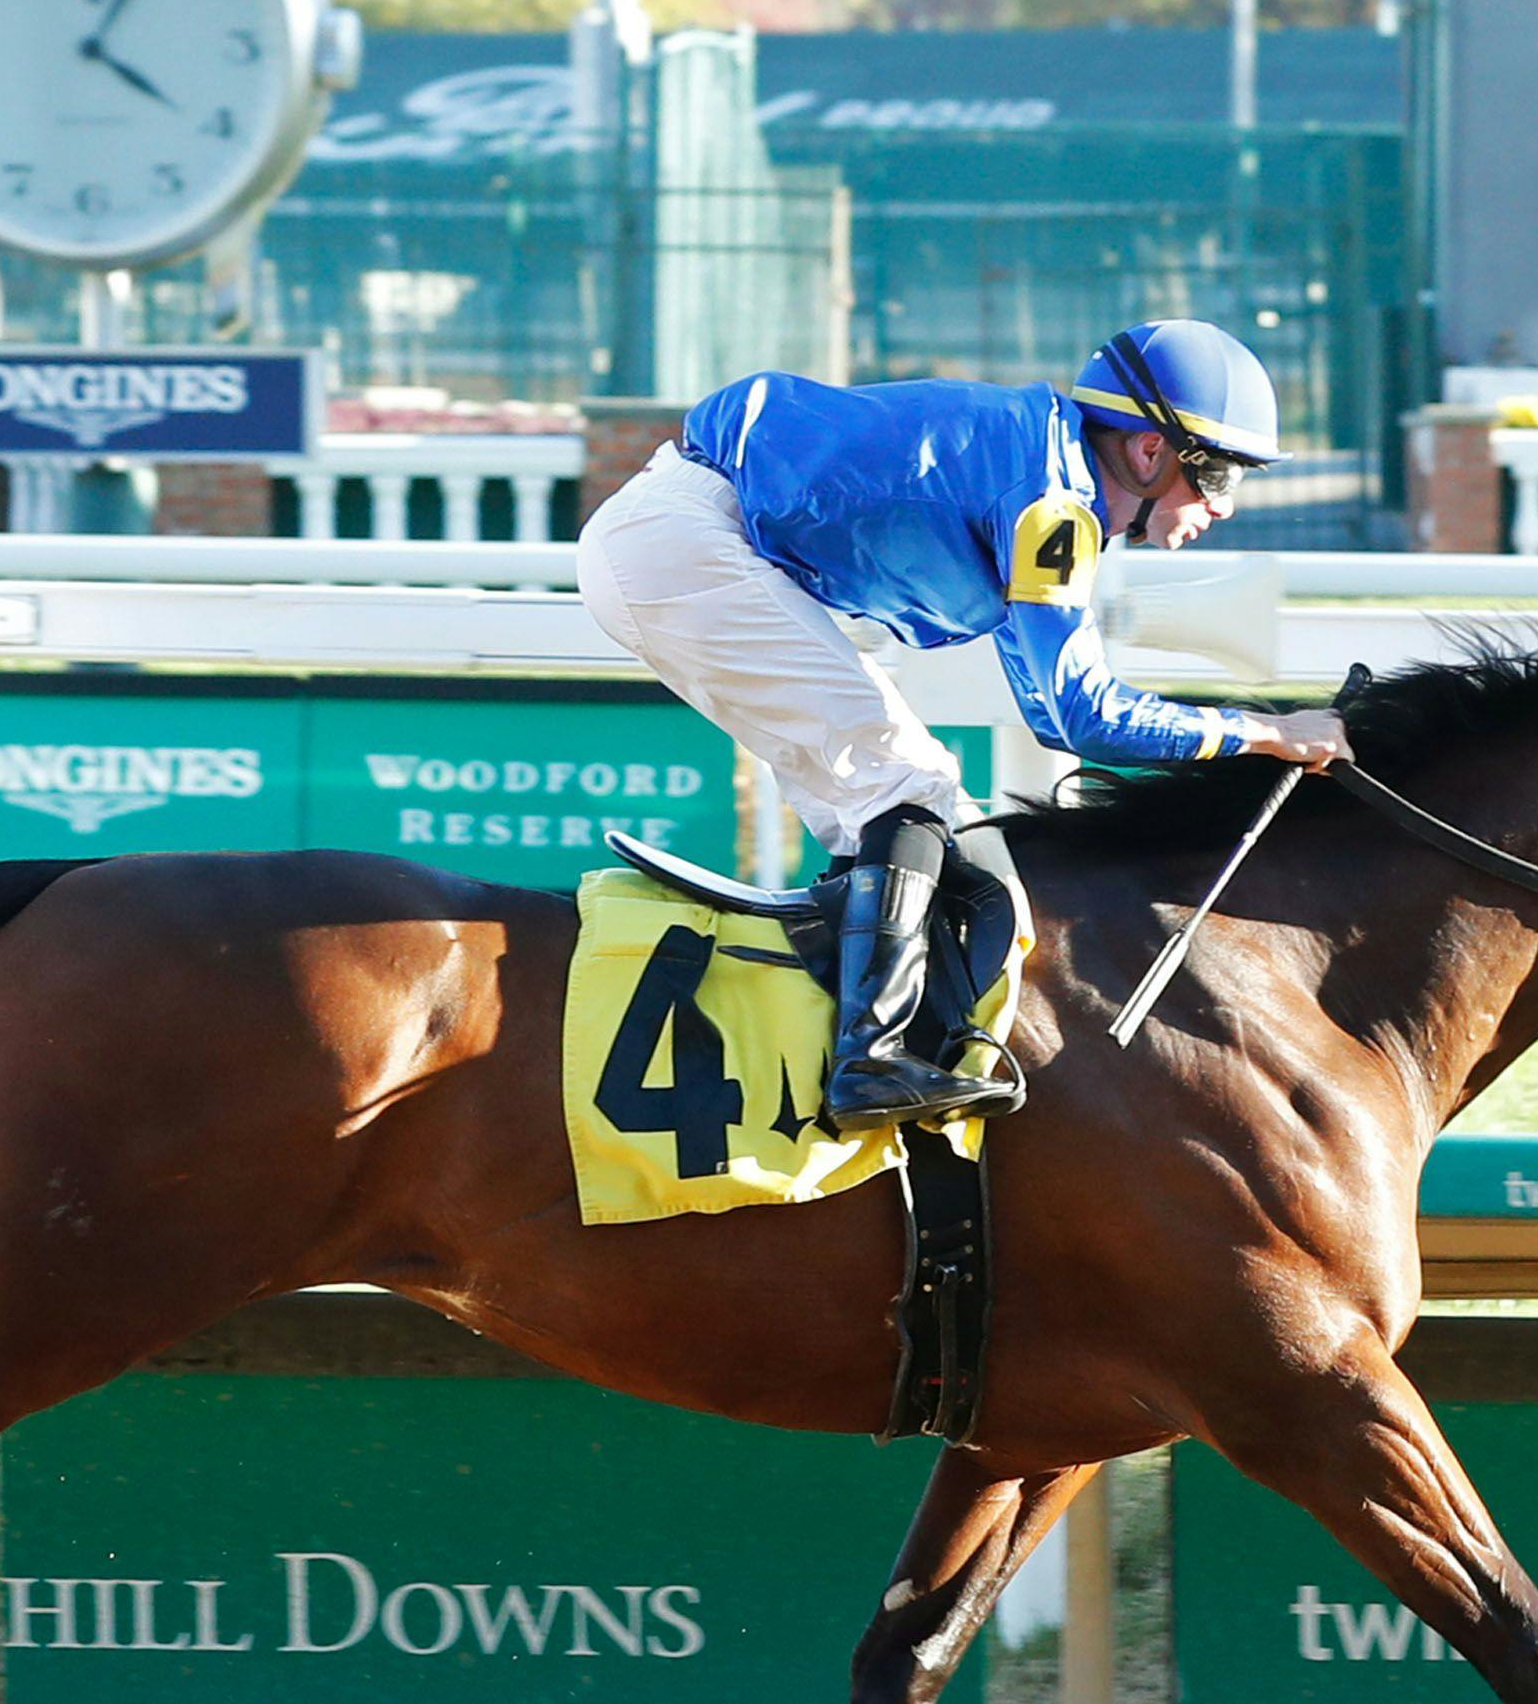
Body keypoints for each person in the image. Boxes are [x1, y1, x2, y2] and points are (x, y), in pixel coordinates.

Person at [577, 320, 1351, 1134]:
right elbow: (1083, 717)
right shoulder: (1052, 505)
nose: (1223, 505)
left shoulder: (1046, 471)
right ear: (1150, 450)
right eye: (1218, 473)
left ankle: (844, 1033)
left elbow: (1052, 706)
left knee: (904, 809)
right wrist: (1265, 733)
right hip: (689, 546)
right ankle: (870, 1058)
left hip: (680, 540)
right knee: (909, 789)